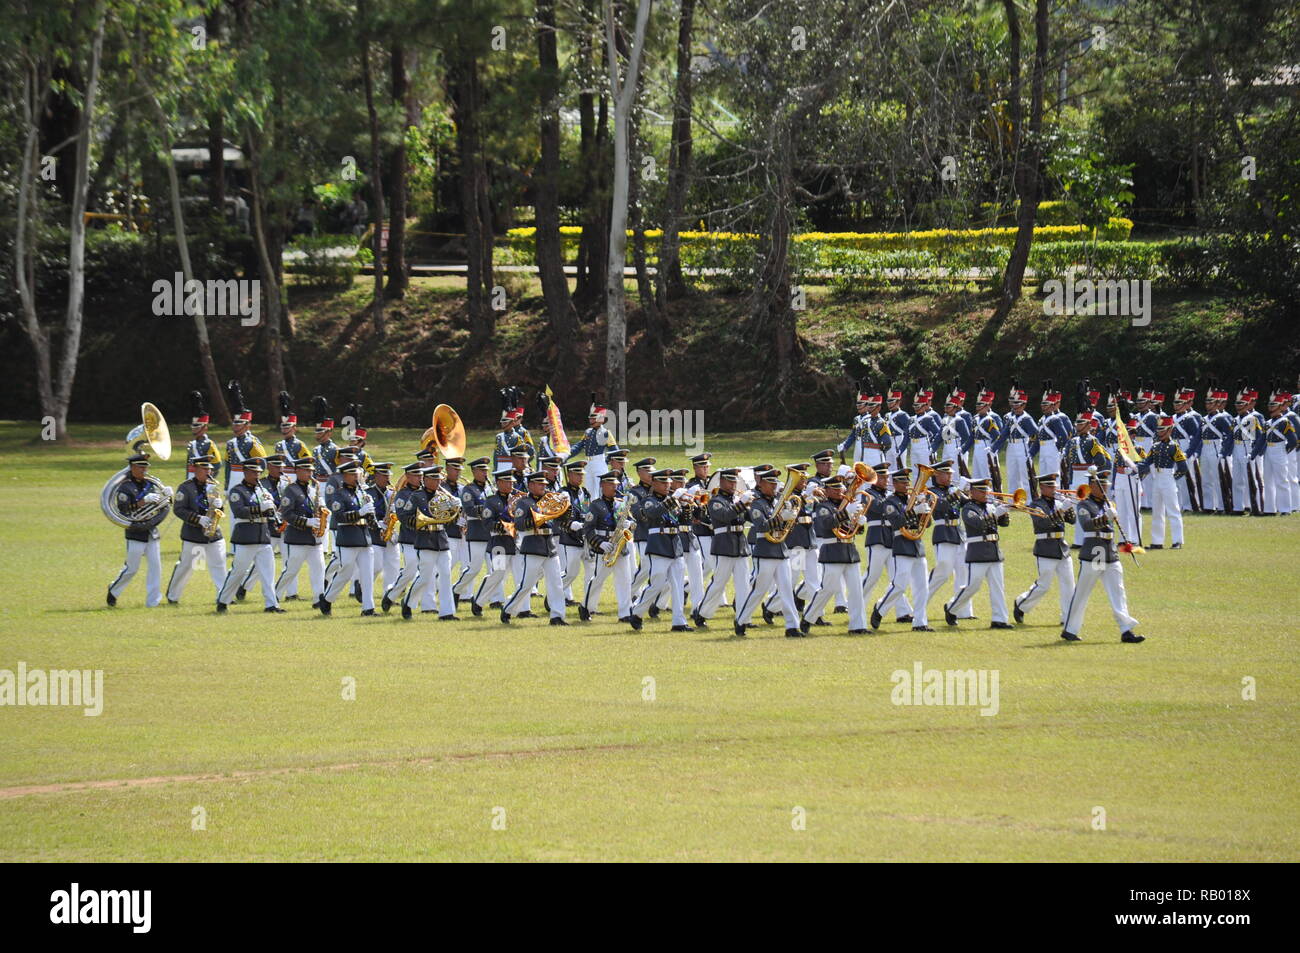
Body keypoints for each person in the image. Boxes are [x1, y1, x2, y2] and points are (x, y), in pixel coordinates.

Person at [1061, 470, 1144, 643]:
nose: (1104, 488)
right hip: (1094, 553)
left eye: (1106, 485)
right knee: (1082, 593)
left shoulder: (1108, 503)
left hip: (1110, 552)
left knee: (1118, 592)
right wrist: (1105, 517)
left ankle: (1126, 630)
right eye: (1101, 485)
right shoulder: (1085, 505)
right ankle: (1070, 629)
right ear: (1091, 486)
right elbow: (1087, 526)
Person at [731, 468, 802, 638]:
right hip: (765, 550)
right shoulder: (757, 503)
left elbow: (786, 526)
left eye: (775, 483)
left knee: (786, 589)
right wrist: (780, 518)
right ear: (761, 484)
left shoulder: (778, 501)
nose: (774, 486)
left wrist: (790, 517)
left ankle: (792, 626)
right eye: (770, 483)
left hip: (780, 549)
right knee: (759, 590)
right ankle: (741, 619)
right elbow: (761, 525)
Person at [799, 476, 868, 634]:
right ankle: (809, 617)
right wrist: (846, 513)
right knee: (827, 589)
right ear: (827, 490)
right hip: (832, 550)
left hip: (850, 550)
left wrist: (859, 522)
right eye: (835, 489)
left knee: (856, 590)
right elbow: (827, 524)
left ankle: (858, 625)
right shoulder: (823, 507)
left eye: (841, 488)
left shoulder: (848, 505)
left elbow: (852, 529)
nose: (840, 491)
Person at [942, 479, 1014, 628]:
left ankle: (999, 619)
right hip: (978, 551)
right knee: (972, 586)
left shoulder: (989, 506)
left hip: (994, 549)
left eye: (986, 490)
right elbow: (979, 524)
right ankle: (951, 608)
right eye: (981, 491)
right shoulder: (968, 508)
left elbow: (1004, 524)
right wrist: (996, 513)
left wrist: (1004, 511)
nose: (985, 493)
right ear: (972, 492)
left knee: (998, 586)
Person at [216, 458, 284, 613]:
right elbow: (239, 511)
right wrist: (260, 508)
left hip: (263, 535)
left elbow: (268, 511)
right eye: (254, 472)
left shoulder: (262, 491)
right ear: (245, 472)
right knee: (238, 572)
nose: (257, 476)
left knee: (268, 573)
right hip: (246, 536)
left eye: (259, 473)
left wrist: (272, 507)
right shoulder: (237, 491)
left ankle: (271, 604)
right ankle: (222, 600)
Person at [501, 471, 568, 625]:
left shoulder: (549, 499)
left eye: (544, 484)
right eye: (539, 484)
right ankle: (508, 609)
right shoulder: (523, 503)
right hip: (532, 545)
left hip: (549, 545)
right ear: (530, 485)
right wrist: (539, 518)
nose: (543, 486)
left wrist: (566, 508)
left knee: (556, 582)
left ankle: (557, 616)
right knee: (527, 584)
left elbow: (562, 519)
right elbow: (518, 525)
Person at [871, 469, 933, 632]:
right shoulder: (889, 502)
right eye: (902, 482)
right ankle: (880, 608)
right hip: (901, 543)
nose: (906, 485)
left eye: (907, 482)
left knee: (922, 587)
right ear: (895, 484)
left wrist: (924, 508)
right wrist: (914, 511)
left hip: (917, 544)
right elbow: (897, 521)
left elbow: (927, 524)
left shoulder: (913, 499)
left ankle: (920, 622)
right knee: (900, 584)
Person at [105, 453, 170, 608]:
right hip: (135, 532)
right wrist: (142, 502)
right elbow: (122, 509)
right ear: (133, 467)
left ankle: (153, 602)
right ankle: (113, 590)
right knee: (131, 569)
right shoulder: (125, 487)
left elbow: (160, 506)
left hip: (151, 531)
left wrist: (166, 496)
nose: (144, 470)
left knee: (156, 568)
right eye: (141, 467)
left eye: (145, 467)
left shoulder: (151, 484)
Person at [1012, 475, 1076, 626]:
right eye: (1050, 487)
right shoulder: (1036, 505)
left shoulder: (1058, 502)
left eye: (1055, 486)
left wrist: (1069, 506)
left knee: (1069, 583)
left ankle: (1067, 617)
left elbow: (1072, 520)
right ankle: (1021, 604)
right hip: (1045, 546)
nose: (1054, 490)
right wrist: (1061, 510)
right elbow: (1044, 523)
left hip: (1062, 546)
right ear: (1043, 488)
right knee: (1044, 585)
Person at [316, 459, 377, 616]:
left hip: (364, 537)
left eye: (358, 473)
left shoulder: (362, 492)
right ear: (345, 476)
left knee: (367, 574)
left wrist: (371, 515)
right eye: (353, 473)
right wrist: (360, 512)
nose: (357, 476)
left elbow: (368, 516)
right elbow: (340, 516)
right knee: (345, 571)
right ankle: (328, 599)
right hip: (348, 537)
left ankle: (368, 608)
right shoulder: (339, 494)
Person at [692, 468, 751, 629]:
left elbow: (750, 518)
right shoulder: (715, 501)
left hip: (741, 544)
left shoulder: (737, 499)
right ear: (722, 482)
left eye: (735, 482)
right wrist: (741, 503)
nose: (733, 484)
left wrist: (752, 505)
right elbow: (725, 516)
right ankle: (702, 613)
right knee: (719, 583)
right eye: (730, 481)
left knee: (744, 583)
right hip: (724, 544)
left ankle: (743, 618)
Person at [166, 455, 227, 603]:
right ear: (196, 469)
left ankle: (224, 596)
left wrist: (220, 506)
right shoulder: (185, 487)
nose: (209, 472)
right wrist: (198, 519)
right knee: (187, 567)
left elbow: (217, 510)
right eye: (205, 469)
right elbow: (179, 510)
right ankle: (173, 596)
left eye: (210, 469)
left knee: (219, 564)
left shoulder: (212, 486)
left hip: (213, 533)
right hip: (193, 534)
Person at [399, 466, 456, 620]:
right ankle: (408, 603)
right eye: (434, 479)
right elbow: (405, 517)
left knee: (446, 576)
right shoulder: (416, 496)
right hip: (425, 539)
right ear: (426, 480)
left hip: (442, 539)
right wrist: (420, 522)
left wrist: (455, 509)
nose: (438, 482)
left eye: (439, 479)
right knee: (424, 577)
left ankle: (447, 612)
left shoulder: (442, 496)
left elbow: (449, 519)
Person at [923, 461, 973, 622]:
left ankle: (962, 610)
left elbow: (969, 505)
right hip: (943, 532)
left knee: (963, 573)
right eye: (947, 474)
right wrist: (959, 491)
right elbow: (942, 506)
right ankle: (919, 605)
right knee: (942, 571)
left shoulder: (953, 489)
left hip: (959, 533)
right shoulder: (931, 492)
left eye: (951, 473)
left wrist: (978, 494)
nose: (951, 476)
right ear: (937, 475)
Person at [581, 472, 633, 622]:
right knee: (598, 580)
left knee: (624, 581)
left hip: (620, 547)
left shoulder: (621, 503)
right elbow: (588, 529)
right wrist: (600, 544)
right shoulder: (596, 505)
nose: (614, 487)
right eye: (610, 484)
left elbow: (632, 523)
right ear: (602, 485)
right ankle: (585, 606)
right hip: (604, 547)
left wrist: (629, 525)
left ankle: (625, 614)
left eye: (616, 484)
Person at [276, 458, 327, 606]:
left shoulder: (313, 490)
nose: (309, 473)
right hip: (298, 536)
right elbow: (286, 514)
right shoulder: (291, 490)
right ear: (297, 471)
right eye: (306, 470)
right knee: (291, 570)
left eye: (311, 470)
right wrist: (306, 522)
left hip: (314, 538)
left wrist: (322, 512)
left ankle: (319, 599)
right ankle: (275, 597)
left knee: (319, 568)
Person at [470, 465, 520, 615]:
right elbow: (487, 523)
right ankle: (478, 601)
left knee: (521, 575)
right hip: (499, 543)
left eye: (511, 482)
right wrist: (504, 527)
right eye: (506, 482)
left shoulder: (517, 499)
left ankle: (523, 609)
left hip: (516, 543)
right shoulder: (491, 501)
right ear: (498, 483)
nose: (510, 485)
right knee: (497, 574)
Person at [1136, 416, 1190, 548]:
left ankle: (1177, 541)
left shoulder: (1174, 447)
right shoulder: (1155, 446)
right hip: (1157, 478)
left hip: (1167, 477)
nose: (1160, 432)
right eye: (1158, 430)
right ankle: (1157, 541)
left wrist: (1173, 478)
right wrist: (1134, 466)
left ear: (1170, 430)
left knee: (1173, 510)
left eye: (1162, 430)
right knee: (1157, 511)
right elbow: (1146, 462)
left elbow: (1183, 467)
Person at [381, 463, 425, 613]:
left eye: (421, 475)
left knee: (427, 573)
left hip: (426, 537)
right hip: (409, 538)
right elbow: (403, 516)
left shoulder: (427, 492)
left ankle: (420, 604)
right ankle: (392, 595)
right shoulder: (402, 494)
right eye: (416, 475)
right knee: (410, 571)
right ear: (408, 477)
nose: (420, 478)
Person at [454, 458, 494, 603]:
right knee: (474, 569)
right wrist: (491, 509)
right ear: (474, 472)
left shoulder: (490, 488)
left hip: (493, 534)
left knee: (497, 569)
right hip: (477, 533)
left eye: (486, 470)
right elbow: (470, 510)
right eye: (482, 470)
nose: (485, 473)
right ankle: (457, 589)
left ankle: (495, 599)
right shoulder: (469, 489)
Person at [557, 460, 592, 604]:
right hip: (570, 538)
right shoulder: (563, 493)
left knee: (591, 573)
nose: (580, 477)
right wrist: (572, 525)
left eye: (582, 474)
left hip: (586, 538)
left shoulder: (585, 493)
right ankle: (557, 595)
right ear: (569, 475)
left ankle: (589, 603)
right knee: (570, 573)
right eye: (577, 474)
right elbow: (559, 517)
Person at [223, 380, 267, 492]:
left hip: (247, 480)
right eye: (234, 423)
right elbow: (228, 466)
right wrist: (227, 485)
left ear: (247, 425)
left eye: (239, 423)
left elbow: (262, 463)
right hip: (233, 479)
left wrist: (252, 479)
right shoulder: (230, 443)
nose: (235, 426)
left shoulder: (252, 442)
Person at [1261, 387, 1298, 514]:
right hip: (1269, 451)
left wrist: (1284, 451)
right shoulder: (1267, 423)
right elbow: (1262, 440)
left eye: (1274, 405)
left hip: (1279, 449)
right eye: (1270, 405)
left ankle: (1285, 509)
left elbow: (1293, 441)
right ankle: (1270, 508)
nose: (1271, 407)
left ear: (1280, 406)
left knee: (1282, 481)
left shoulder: (1285, 421)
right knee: (1268, 480)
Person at [1002, 380, 1037, 498]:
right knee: (1012, 473)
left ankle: (1029, 499)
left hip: (1023, 445)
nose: (1015, 406)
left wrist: (1031, 450)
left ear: (1023, 405)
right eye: (1014, 403)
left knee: (1025, 473)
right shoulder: (1009, 417)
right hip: (1011, 446)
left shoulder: (1027, 418)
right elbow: (1004, 434)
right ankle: (1014, 499)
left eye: (1018, 404)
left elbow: (1035, 434)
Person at [185, 390, 223, 483]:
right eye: (193, 426)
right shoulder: (192, 444)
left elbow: (217, 464)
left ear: (205, 428)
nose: (194, 429)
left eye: (197, 427)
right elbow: (188, 466)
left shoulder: (209, 444)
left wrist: (208, 480)